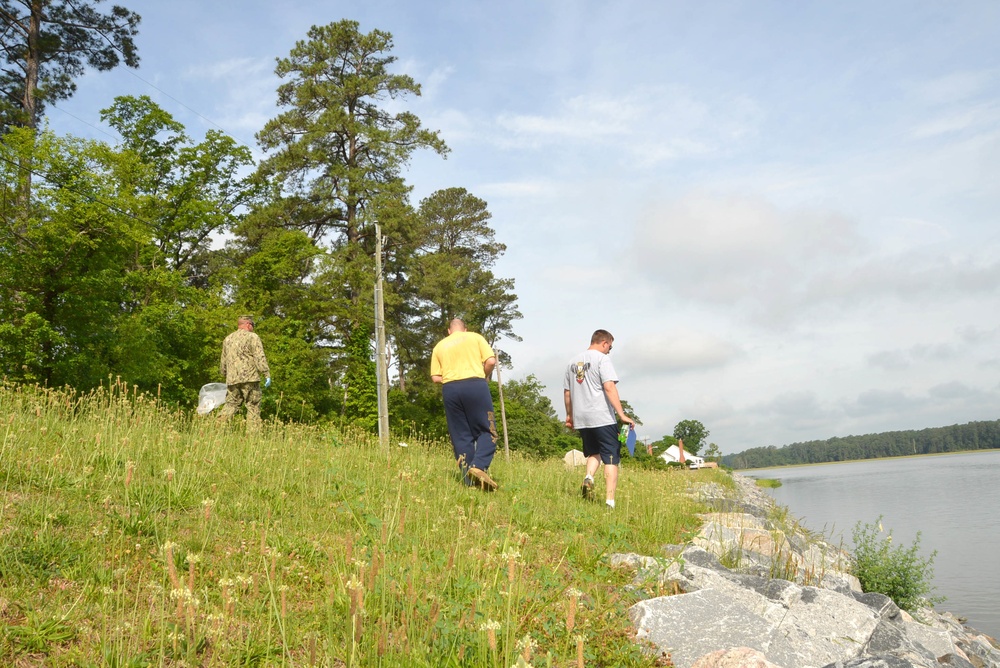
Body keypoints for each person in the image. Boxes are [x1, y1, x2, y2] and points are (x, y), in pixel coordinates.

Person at [563, 329, 635, 508]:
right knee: (611, 456)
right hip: (601, 416)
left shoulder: (572, 362)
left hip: (582, 418)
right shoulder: (602, 359)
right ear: (604, 343)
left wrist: (570, 416)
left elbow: (567, 392)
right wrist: (622, 414)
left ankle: (588, 477)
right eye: (610, 346)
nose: (609, 350)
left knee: (594, 452)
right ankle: (610, 502)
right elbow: (609, 387)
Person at [430, 318, 499, 490]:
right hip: (475, 384)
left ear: (449, 331)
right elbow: (491, 361)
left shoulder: (440, 346)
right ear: (465, 329)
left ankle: (469, 482)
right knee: (487, 430)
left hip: (450, 389)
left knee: (461, 435)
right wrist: (483, 376)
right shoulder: (475, 338)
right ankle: (478, 467)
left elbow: (435, 377)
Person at [218, 315, 271, 431]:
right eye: (253, 325)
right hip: (250, 379)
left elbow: (223, 361)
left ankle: (217, 428)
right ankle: (252, 436)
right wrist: (266, 373)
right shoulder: (253, 337)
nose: (253, 328)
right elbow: (259, 357)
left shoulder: (228, 339)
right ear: (248, 324)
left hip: (232, 380)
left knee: (231, 405)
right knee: (253, 405)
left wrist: (224, 374)